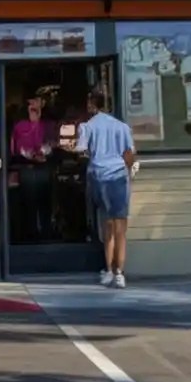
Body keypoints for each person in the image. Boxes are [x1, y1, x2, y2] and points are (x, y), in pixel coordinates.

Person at [76, 90, 136, 289]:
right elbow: (128, 154)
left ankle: (109, 270)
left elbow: (81, 151)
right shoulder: (122, 127)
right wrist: (129, 170)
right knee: (121, 228)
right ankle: (120, 273)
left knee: (107, 225)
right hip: (118, 177)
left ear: (92, 105)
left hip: (98, 177)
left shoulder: (87, 127)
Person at [10, 97, 55, 240]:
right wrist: (29, 154)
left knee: (45, 202)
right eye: (31, 104)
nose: (34, 108)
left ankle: (46, 233)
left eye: (37, 104)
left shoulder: (48, 125)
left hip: (44, 168)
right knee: (29, 202)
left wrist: (44, 151)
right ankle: (30, 234)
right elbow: (16, 147)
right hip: (26, 168)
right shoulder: (20, 126)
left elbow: (53, 143)